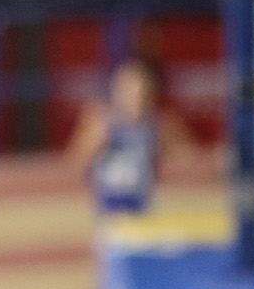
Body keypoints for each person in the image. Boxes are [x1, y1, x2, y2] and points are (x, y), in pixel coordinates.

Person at [64, 55, 198, 215]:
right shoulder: (100, 121)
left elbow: (190, 161)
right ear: (117, 91)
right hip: (107, 206)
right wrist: (96, 144)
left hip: (144, 206)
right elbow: (73, 164)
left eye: (140, 91)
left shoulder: (160, 124)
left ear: (151, 92)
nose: (134, 97)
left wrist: (168, 155)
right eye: (127, 90)